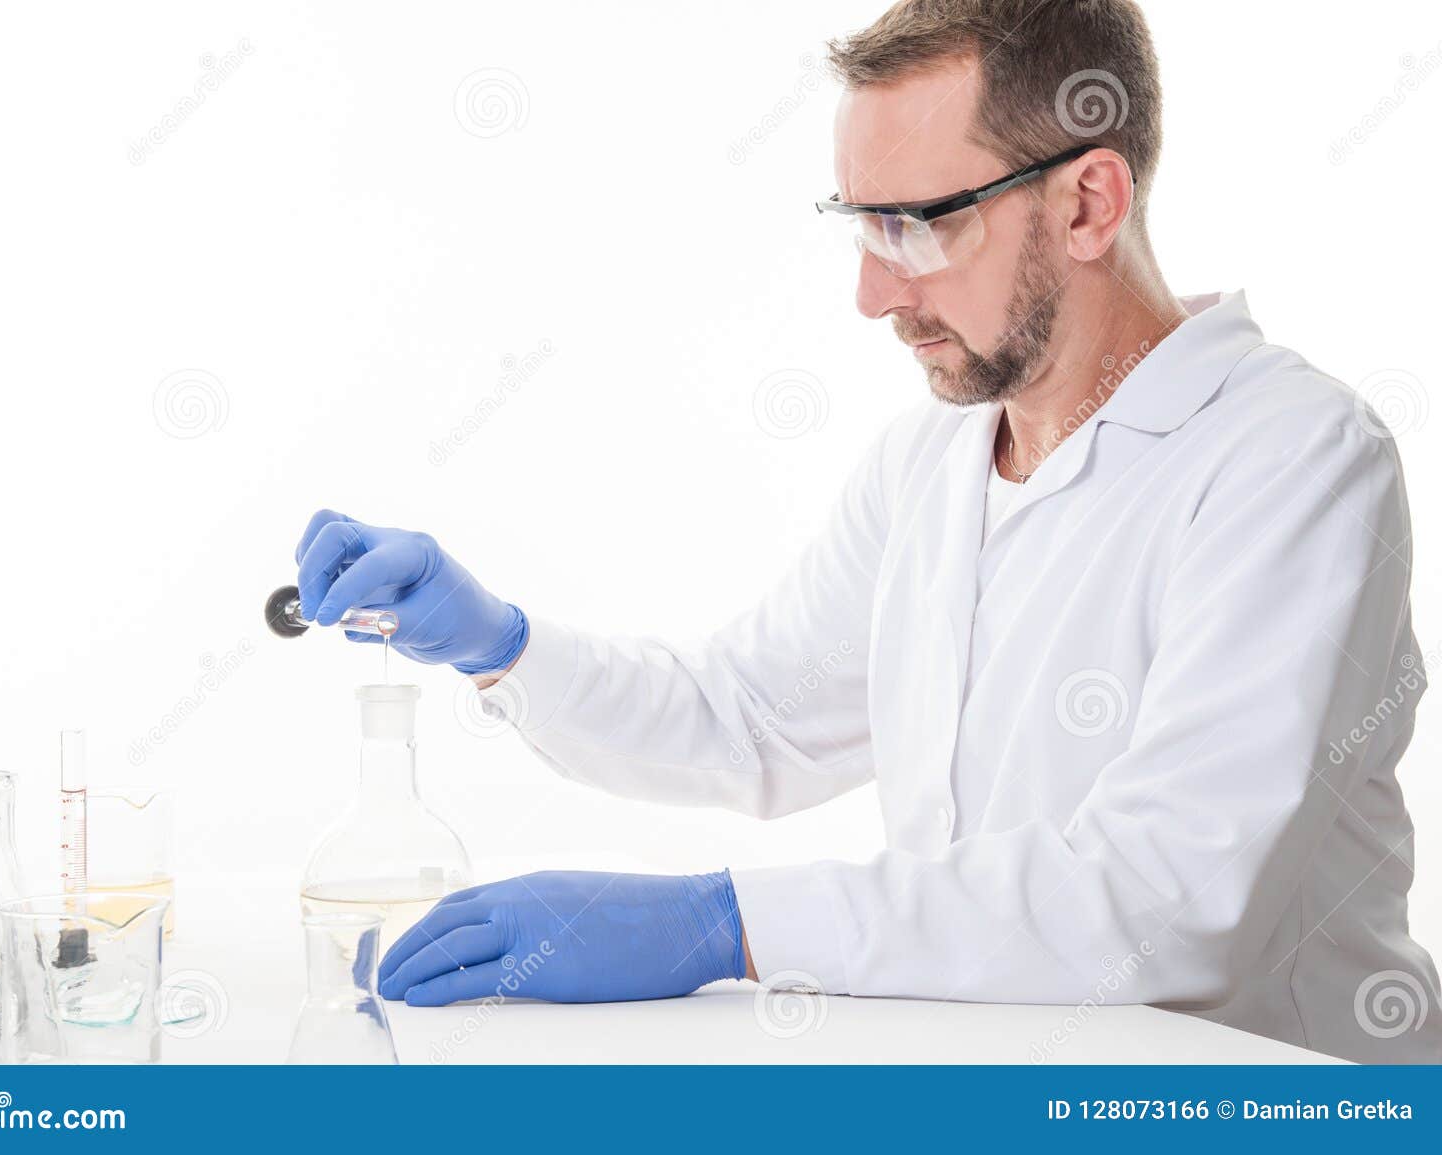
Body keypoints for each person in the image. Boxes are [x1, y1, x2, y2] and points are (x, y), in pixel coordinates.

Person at [295, 0, 1440, 1063]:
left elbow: (1170, 900)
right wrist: (498, 643)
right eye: (860, 225)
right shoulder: (931, 464)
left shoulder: (1290, 460)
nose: (872, 295)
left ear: (1088, 202)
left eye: (918, 226)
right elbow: (749, 723)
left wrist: (725, 924)